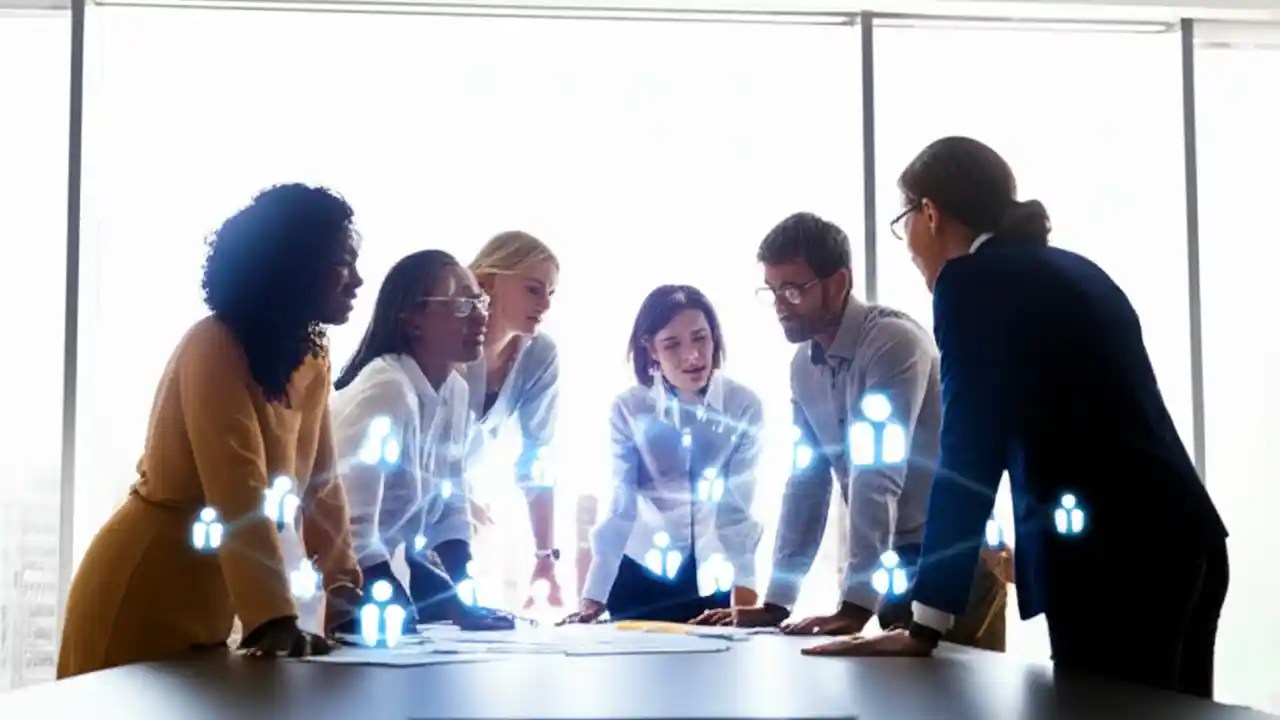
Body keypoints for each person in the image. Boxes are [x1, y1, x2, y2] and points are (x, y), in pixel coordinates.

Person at [805, 137, 1229, 699]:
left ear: (929, 213)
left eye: (904, 220)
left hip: (1113, 567)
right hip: (1188, 541)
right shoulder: (1076, 269)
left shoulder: (970, 284)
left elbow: (968, 450)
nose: (908, 242)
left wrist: (924, 621)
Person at [58, 184, 366, 677]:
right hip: (146, 585)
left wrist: (345, 592)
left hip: (212, 597)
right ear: (296, 263)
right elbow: (236, 488)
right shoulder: (215, 345)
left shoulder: (312, 357)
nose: (357, 281)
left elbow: (324, 484)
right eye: (343, 262)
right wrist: (274, 618)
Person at [692, 212, 1008, 652]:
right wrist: (778, 601)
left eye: (793, 289)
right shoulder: (803, 368)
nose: (781, 304)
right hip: (895, 565)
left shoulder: (893, 343)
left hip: (956, 561)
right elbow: (806, 484)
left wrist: (855, 606)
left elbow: (878, 473)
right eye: (773, 289)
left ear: (838, 283)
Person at [332, 250, 513, 632]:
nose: (481, 315)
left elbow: (450, 508)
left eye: (479, 301)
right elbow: (350, 526)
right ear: (413, 318)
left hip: (377, 565)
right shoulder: (387, 390)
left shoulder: (456, 391)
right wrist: (391, 593)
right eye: (462, 304)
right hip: (328, 579)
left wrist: (461, 599)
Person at [560, 285, 764, 623]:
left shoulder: (744, 406)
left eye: (701, 338)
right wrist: (593, 598)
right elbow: (621, 508)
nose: (693, 356)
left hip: (711, 579)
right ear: (650, 349)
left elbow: (737, 511)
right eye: (672, 344)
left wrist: (746, 594)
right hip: (639, 574)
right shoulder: (629, 408)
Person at [461, 231, 564, 609]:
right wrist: (458, 501)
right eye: (534, 290)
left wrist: (544, 557)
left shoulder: (539, 356)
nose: (545, 305)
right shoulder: (448, 341)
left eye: (550, 294)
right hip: (398, 503)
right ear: (488, 282)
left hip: (457, 512)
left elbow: (537, 457)